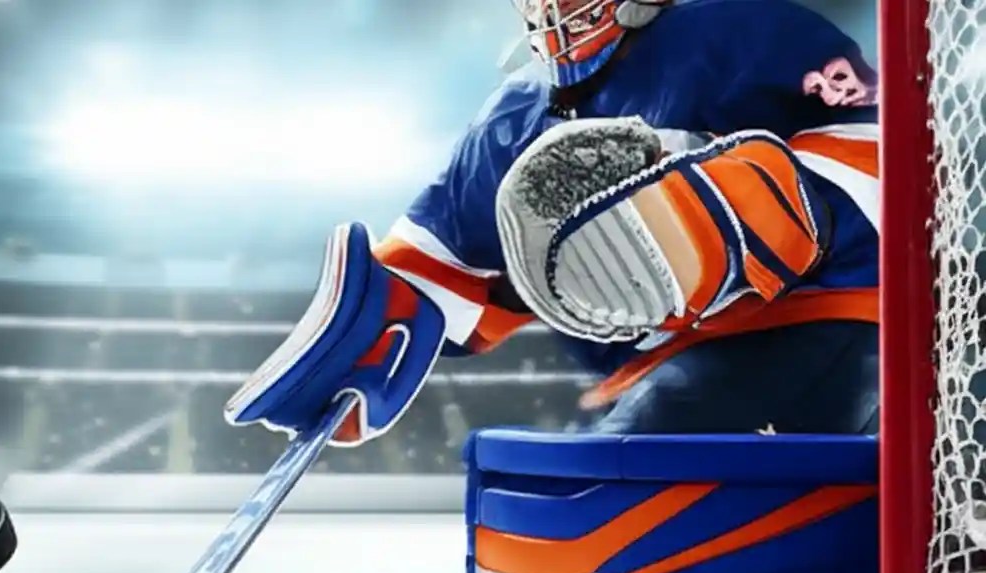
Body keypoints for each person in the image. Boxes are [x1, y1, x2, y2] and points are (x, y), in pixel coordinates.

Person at [225, 0, 879, 445]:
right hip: (666, 361)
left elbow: (881, 152)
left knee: (644, 462)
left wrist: (756, 208)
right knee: (620, 460)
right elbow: (439, 271)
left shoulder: (751, 36)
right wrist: (368, 340)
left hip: (818, 320)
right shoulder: (516, 116)